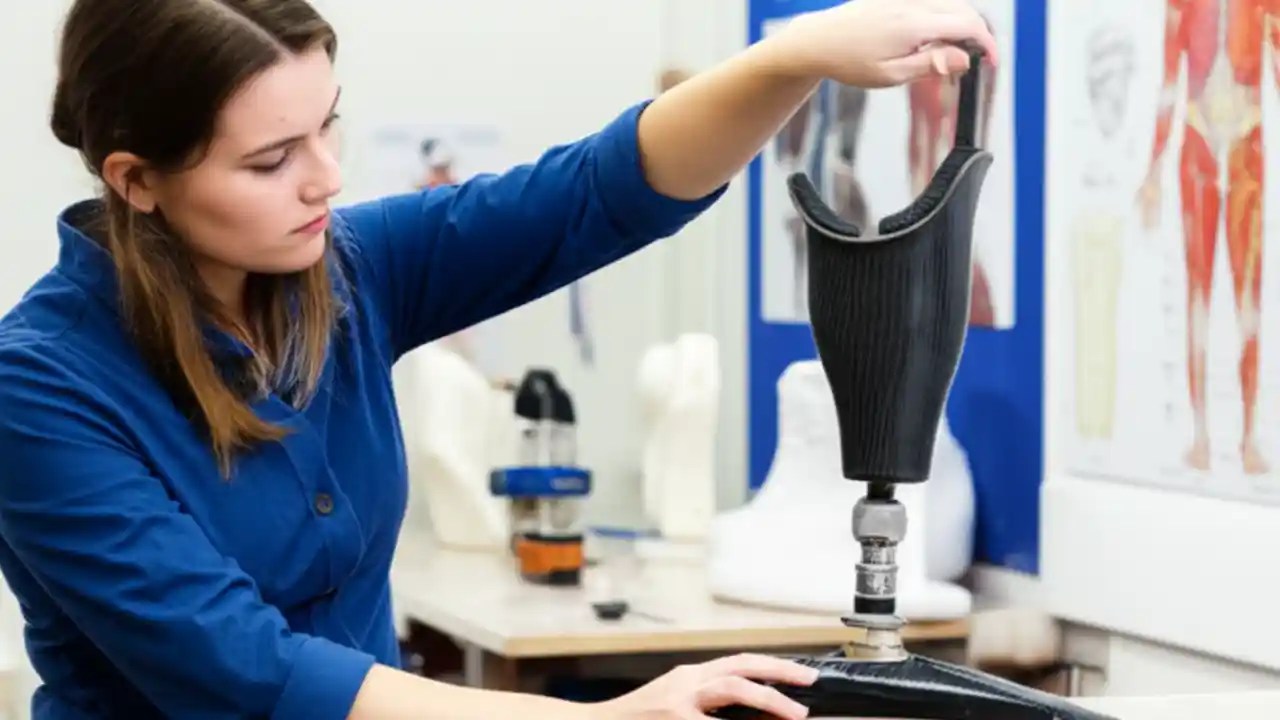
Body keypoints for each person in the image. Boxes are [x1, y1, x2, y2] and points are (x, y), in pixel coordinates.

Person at [0, 0, 996, 718]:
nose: (326, 178)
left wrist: (794, 56)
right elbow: (239, 669)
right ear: (136, 180)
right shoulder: (38, 388)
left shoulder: (347, 270)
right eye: (271, 160)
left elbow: (596, 194)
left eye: (326, 126)